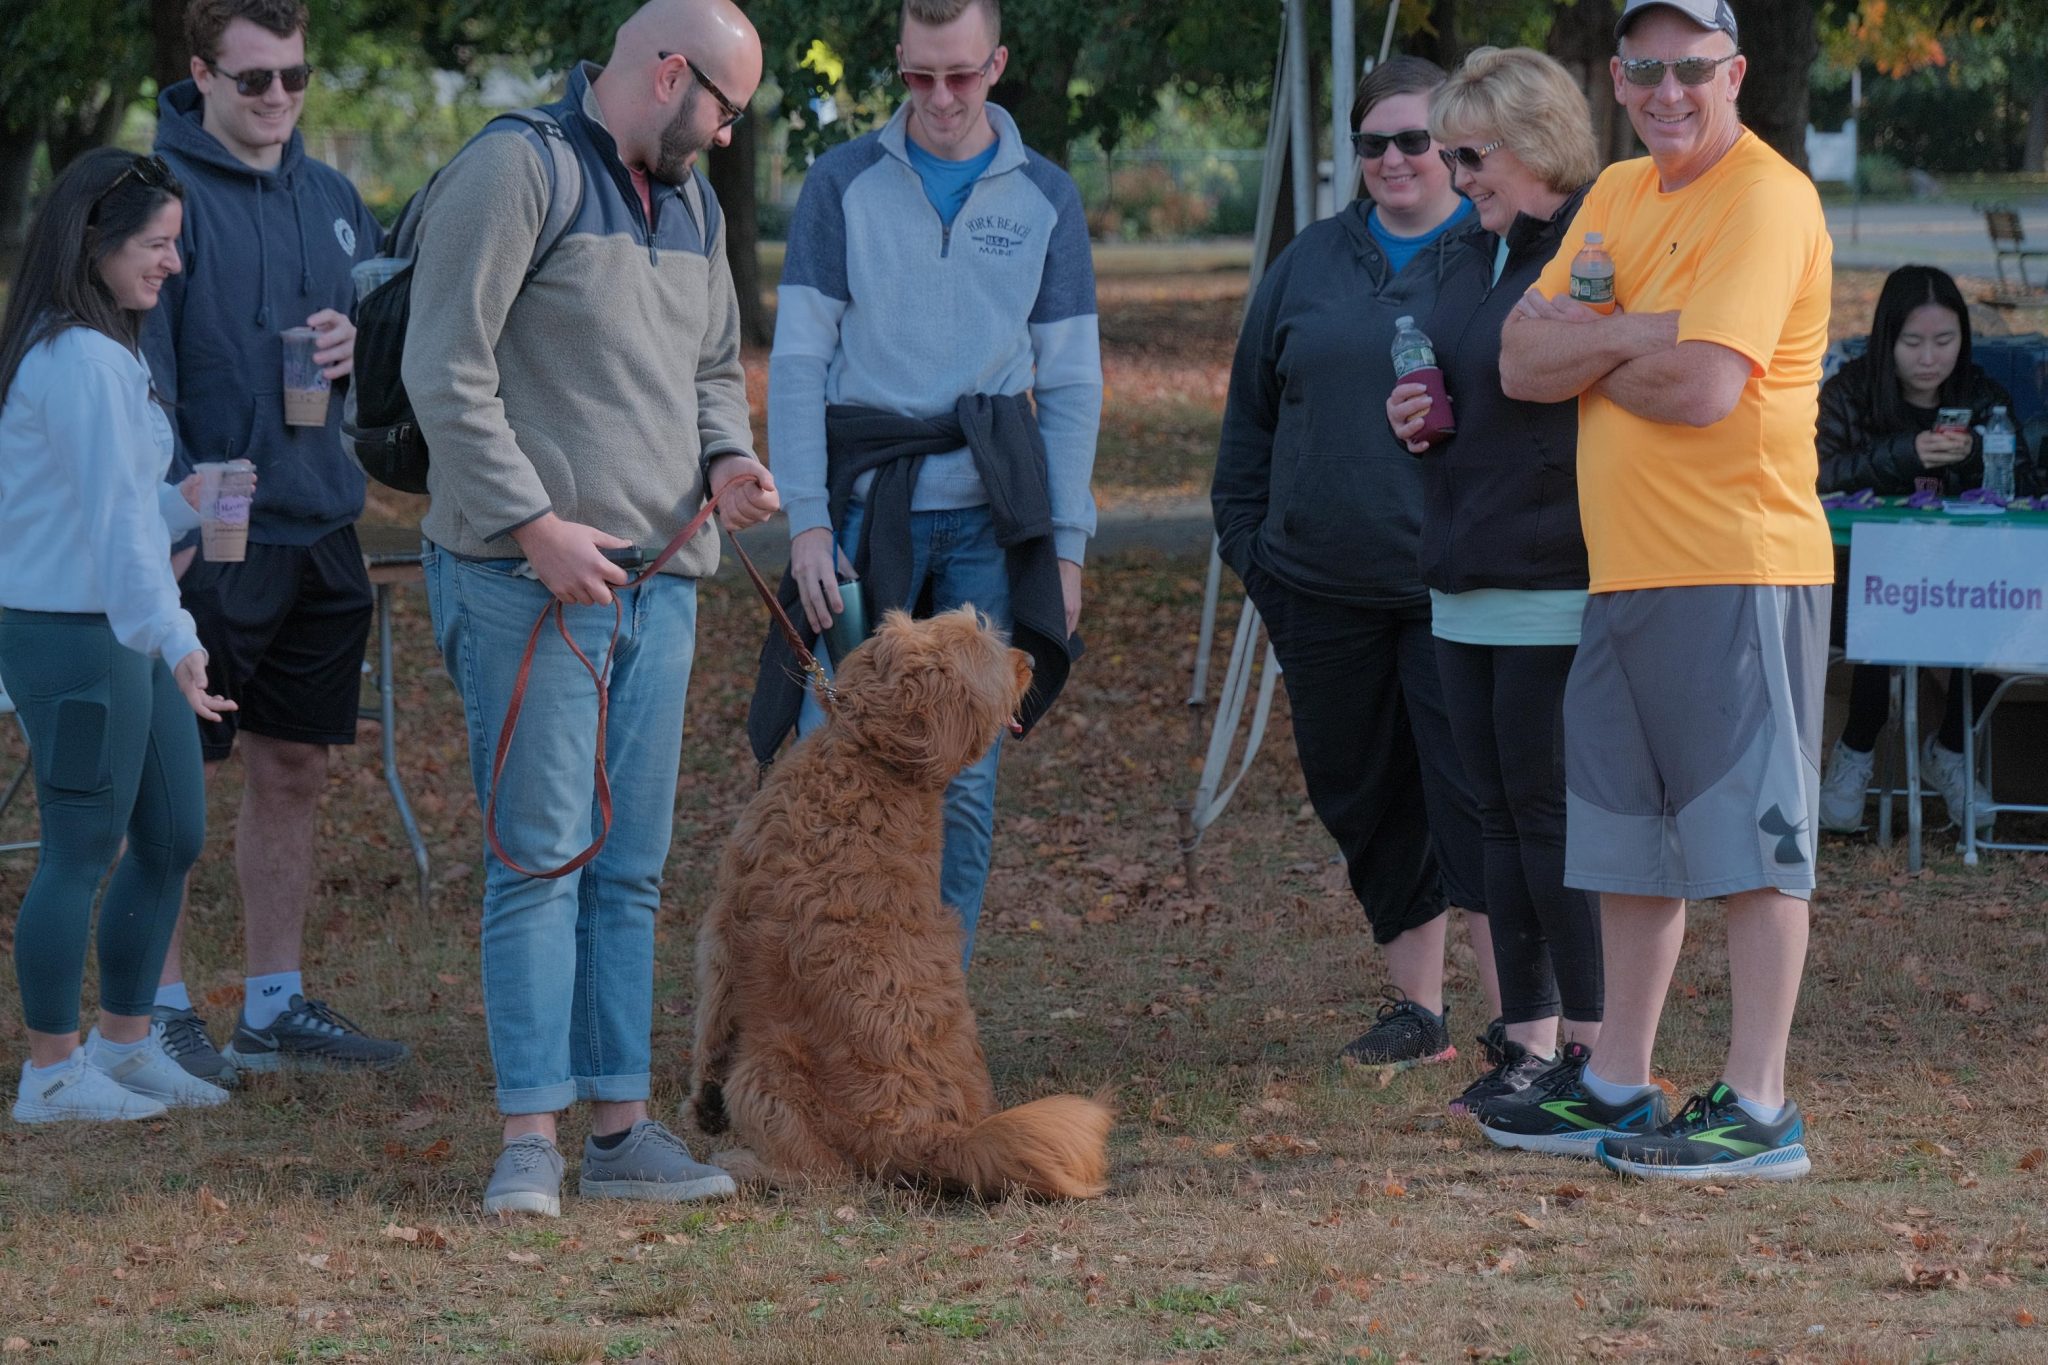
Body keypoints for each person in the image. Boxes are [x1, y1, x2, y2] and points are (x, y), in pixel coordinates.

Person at [404, 0, 778, 1217]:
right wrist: (533, 528)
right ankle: (529, 1142)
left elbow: (712, 368)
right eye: (723, 109)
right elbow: (441, 371)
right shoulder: (516, 168)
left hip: (658, 589)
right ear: (669, 73)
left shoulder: (694, 201)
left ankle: (620, 1134)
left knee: (629, 871)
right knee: (540, 862)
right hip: (526, 587)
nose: (725, 138)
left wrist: (727, 461)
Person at [1480, 0, 1833, 1181]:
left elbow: (1700, 394)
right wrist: (1647, 332)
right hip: (1623, 572)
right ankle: (1618, 1085)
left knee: (1750, 846)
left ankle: (1757, 1108)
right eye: (1642, 68)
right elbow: (1518, 362)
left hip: (1737, 563)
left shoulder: (1766, 197)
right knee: (1628, 848)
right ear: (1617, 77)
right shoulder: (1620, 194)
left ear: (1732, 71)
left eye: (1690, 68)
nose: (1665, 90)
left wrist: (1601, 340)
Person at [754, 0, 1103, 969]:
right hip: (870, 511)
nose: (940, 98)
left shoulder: (1043, 195)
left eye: (959, 75)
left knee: (969, 774)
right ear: (898, 66)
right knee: (841, 756)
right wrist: (811, 526)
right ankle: (836, 983)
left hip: (992, 521)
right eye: (918, 76)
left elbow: (1070, 380)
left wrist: (1064, 549)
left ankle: (929, 990)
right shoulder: (842, 183)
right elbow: (796, 364)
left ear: (994, 65)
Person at [1213, 56, 1495, 1070]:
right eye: (1371, 143)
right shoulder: (1306, 263)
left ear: (1455, 144)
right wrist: (1260, 561)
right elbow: (1247, 424)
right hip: (1319, 592)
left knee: (1474, 799)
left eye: (1413, 140)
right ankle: (1416, 1012)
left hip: (1458, 589)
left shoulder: (1493, 256)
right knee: (1360, 795)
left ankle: (1520, 1026)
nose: (1392, 159)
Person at [141, 0, 404, 1084]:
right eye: (254, 80)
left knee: (293, 763)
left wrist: (358, 337)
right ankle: (149, 1011)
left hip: (321, 521)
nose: (278, 100)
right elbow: (131, 378)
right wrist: (163, 518)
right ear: (200, 73)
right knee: (168, 776)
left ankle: (272, 1005)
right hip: (208, 537)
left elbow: (390, 359)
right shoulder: (151, 201)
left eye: (293, 77)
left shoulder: (336, 196)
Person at [1383, 47, 1603, 1117]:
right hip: (1461, 570)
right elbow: (1450, 387)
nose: (1449, 171)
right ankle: (1524, 1042)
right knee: (1491, 820)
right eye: (1445, 150)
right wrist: (1412, 421)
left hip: (1555, 570)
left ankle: (1591, 1050)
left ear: (1533, 143)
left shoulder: (1592, 248)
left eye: (1468, 153)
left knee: (1548, 816)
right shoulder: (1470, 254)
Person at [0, 148, 240, 1122]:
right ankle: (51, 1074)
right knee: (80, 845)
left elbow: (124, 507)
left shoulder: (109, 348)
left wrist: (184, 504)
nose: (172, 264)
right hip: (75, 633)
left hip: (122, 625)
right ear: (95, 244)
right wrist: (177, 635)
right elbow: (107, 531)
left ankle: (126, 1044)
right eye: (157, 244)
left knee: (173, 831)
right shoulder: (82, 360)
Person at [1815, 264, 2040, 837]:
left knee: (2011, 599)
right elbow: (1814, 473)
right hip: (1851, 580)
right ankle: (1858, 751)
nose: (1929, 358)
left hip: (1964, 583)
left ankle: (1950, 749)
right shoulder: (1848, 393)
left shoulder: (1982, 395)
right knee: (1891, 599)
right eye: (1912, 342)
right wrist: (1905, 454)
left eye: (1946, 341)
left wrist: (1972, 458)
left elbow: (2024, 486)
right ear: (1887, 337)